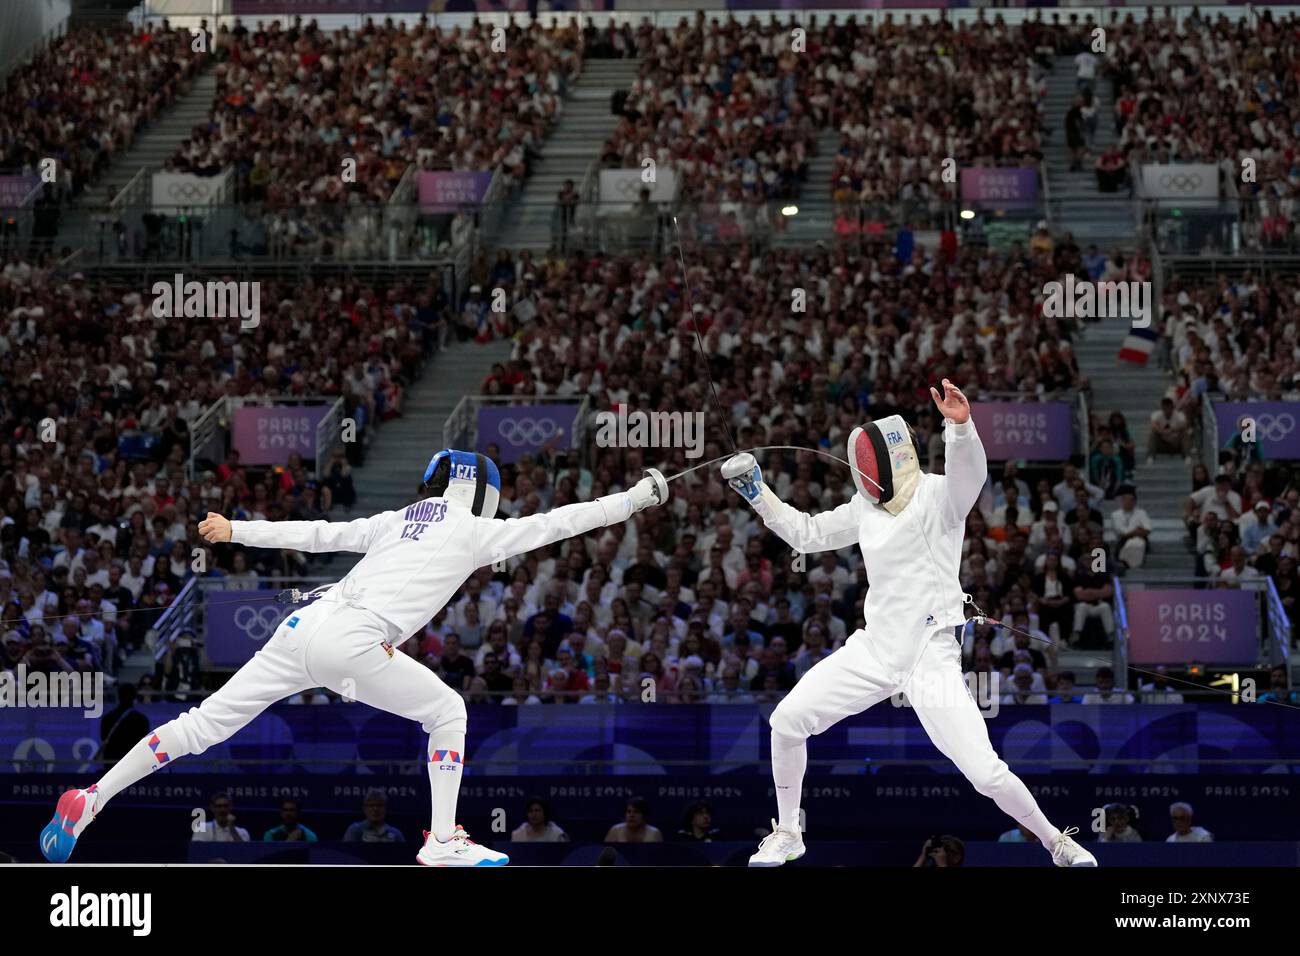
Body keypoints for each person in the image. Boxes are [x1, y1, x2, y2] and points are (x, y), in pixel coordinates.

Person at [40, 450, 668, 866]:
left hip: (299, 626)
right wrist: (638, 497)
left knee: (200, 725)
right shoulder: (482, 532)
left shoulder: (397, 520)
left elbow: (317, 533)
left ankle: (92, 797)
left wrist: (238, 530)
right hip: (353, 641)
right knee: (448, 713)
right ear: (483, 494)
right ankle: (443, 840)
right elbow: (568, 520)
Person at [723, 380, 1094, 868]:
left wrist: (959, 428)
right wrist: (757, 492)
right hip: (874, 650)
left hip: (929, 657)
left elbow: (971, 474)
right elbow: (805, 533)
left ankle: (1055, 841)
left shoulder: (940, 498)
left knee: (985, 773)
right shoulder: (865, 510)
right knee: (786, 723)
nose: (862, 475)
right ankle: (789, 832)